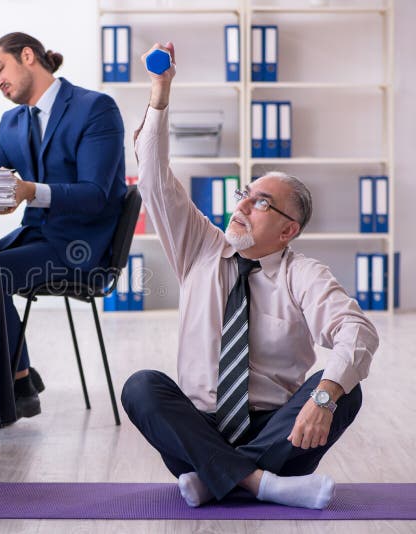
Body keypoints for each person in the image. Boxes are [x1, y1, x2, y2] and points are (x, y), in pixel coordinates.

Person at [121, 42, 378, 510]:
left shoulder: (304, 273)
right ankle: (263, 485)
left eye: (260, 202)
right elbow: (155, 179)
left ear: (288, 229)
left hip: (280, 433)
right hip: (198, 430)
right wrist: (160, 92)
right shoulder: (199, 247)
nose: (240, 206)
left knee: (346, 389)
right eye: (245, 194)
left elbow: (355, 332)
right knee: (141, 385)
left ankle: (216, 478)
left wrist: (323, 397)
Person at [0, 32, 127, 420]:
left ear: (28, 56)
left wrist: (30, 191)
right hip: (37, 238)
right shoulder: (12, 123)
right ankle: (13, 379)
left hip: (82, 247)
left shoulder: (95, 108)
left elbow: (96, 194)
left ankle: (16, 382)